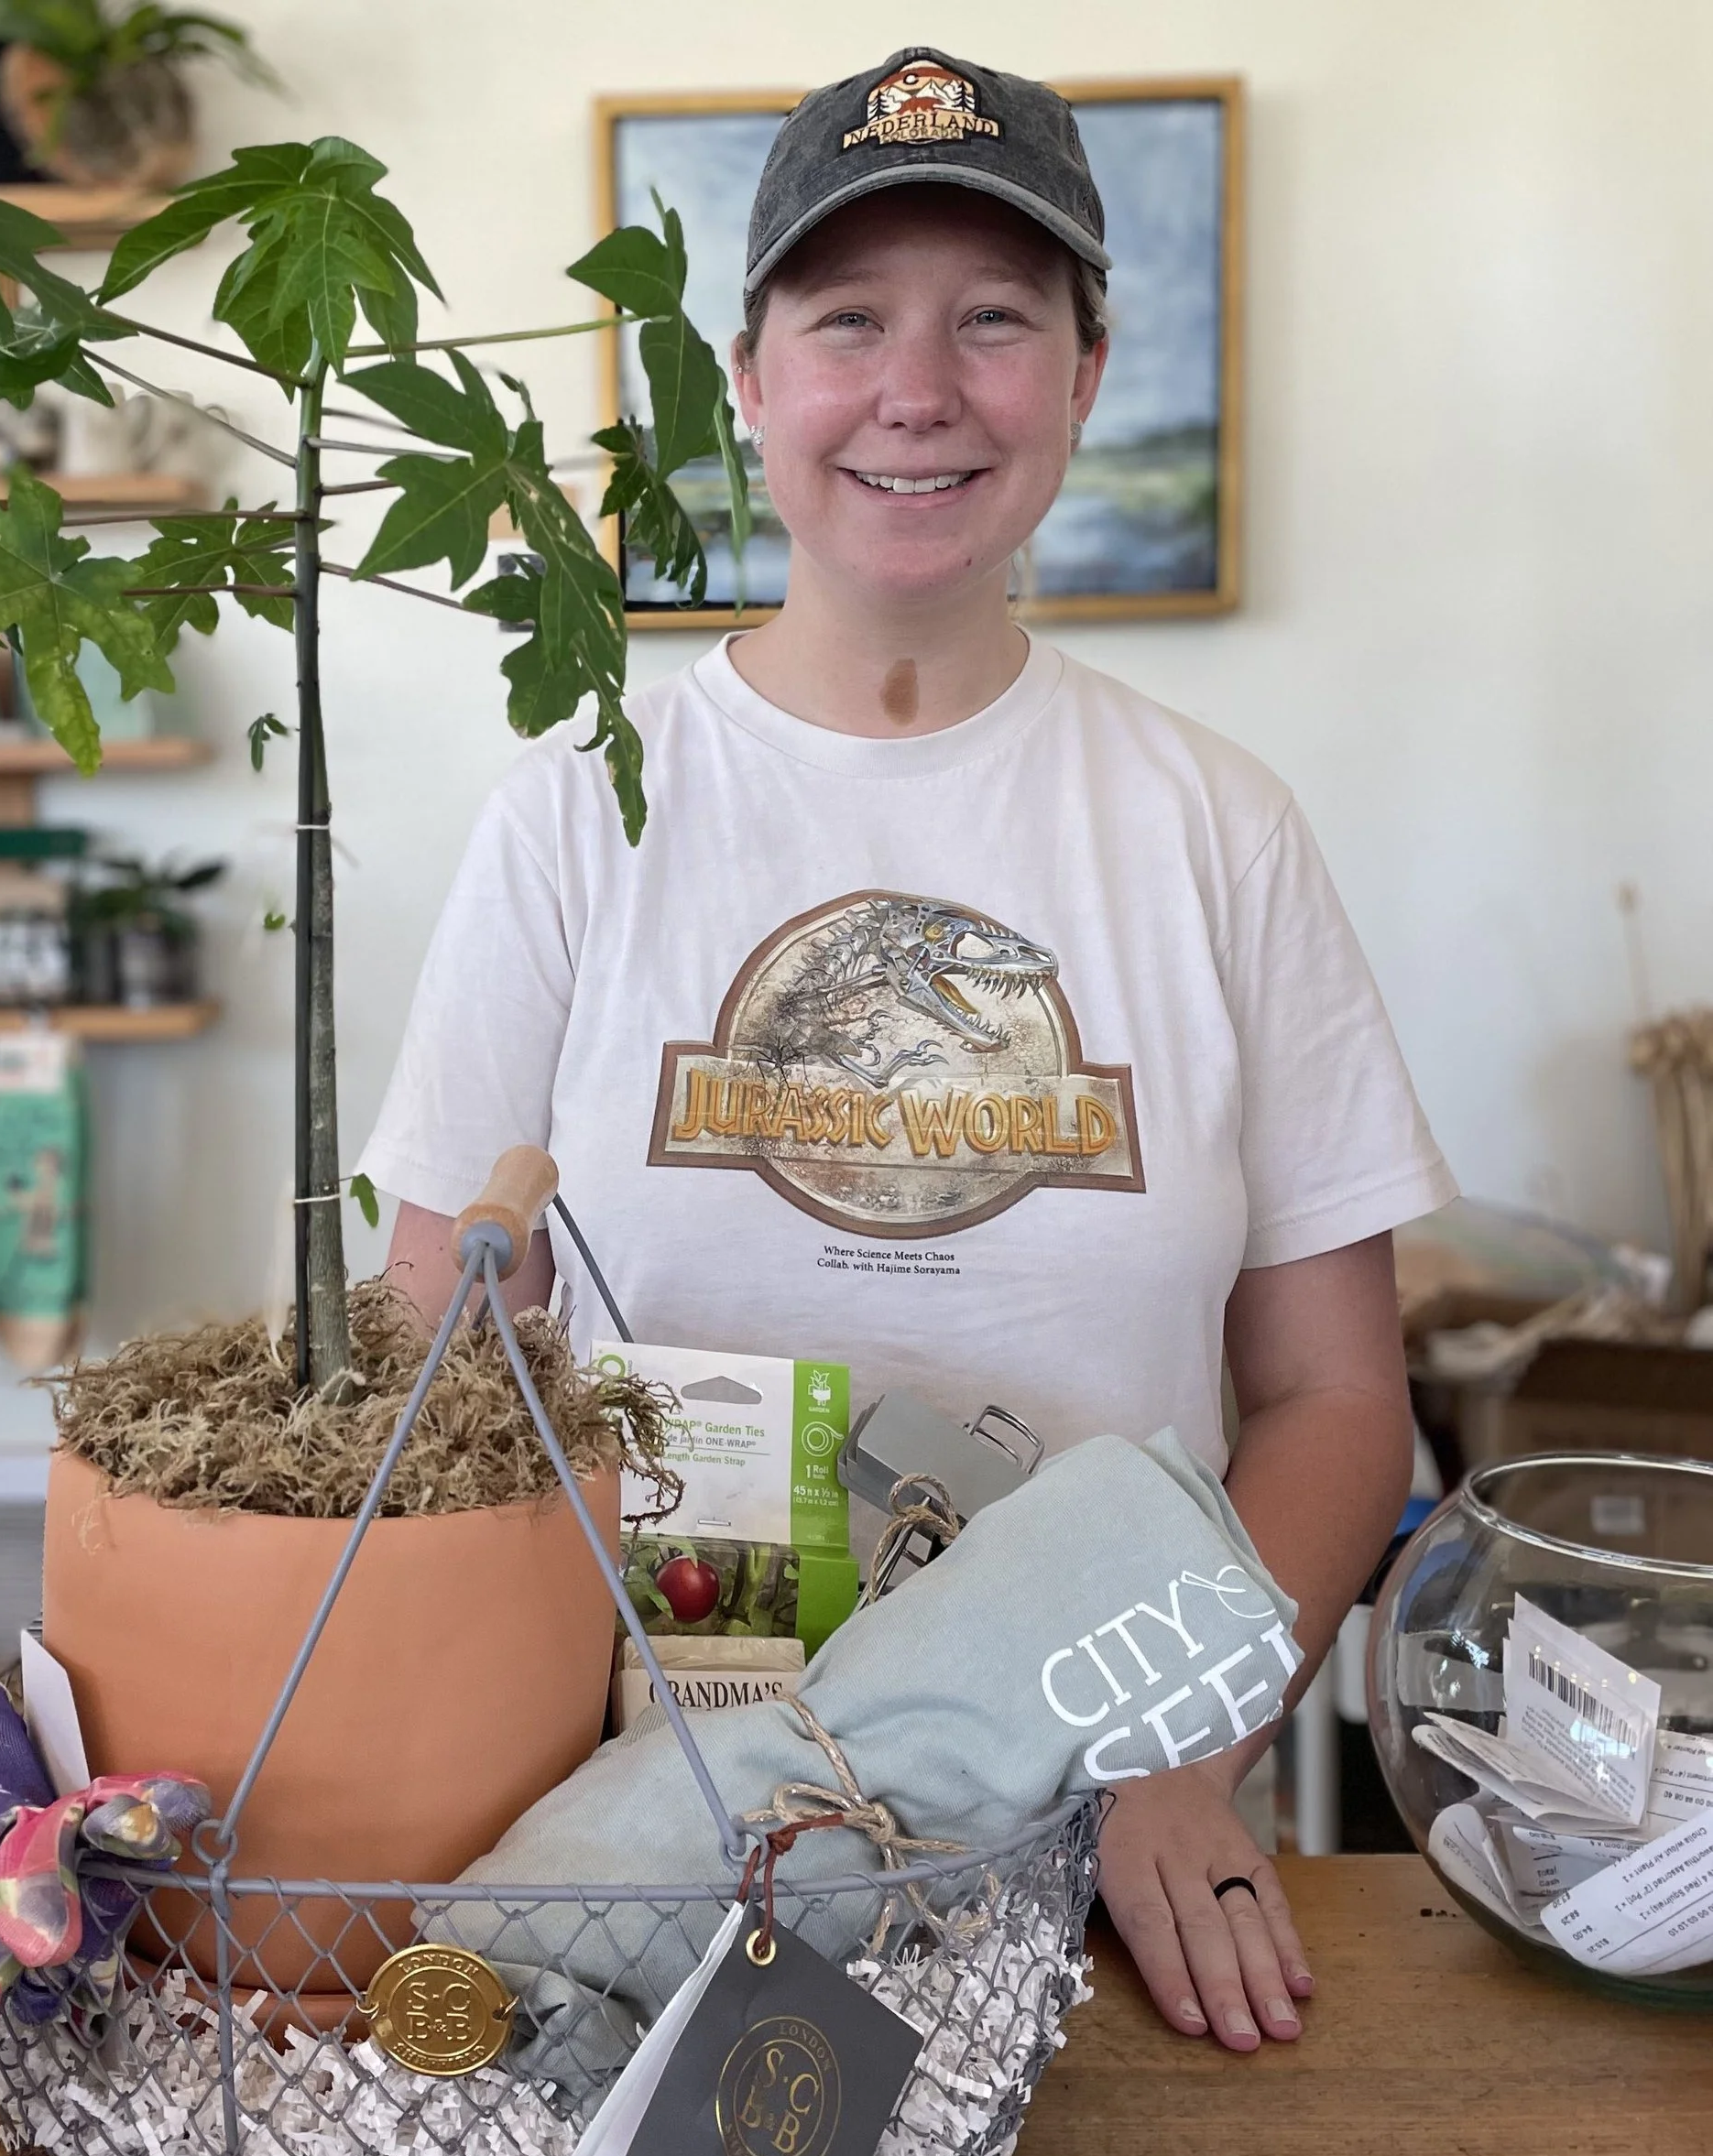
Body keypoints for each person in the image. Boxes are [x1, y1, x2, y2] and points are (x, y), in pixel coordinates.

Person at [359, 47, 1453, 2053]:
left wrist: (1171, 1762)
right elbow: (442, 1366)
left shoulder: (1213, 825)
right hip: (635, 1847)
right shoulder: (579, 802)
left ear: (1084, 372)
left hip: (1100, 1876)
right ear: (751, 378)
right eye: (846, 318)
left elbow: (1323, 1394)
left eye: (991, 322)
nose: (916, 388)